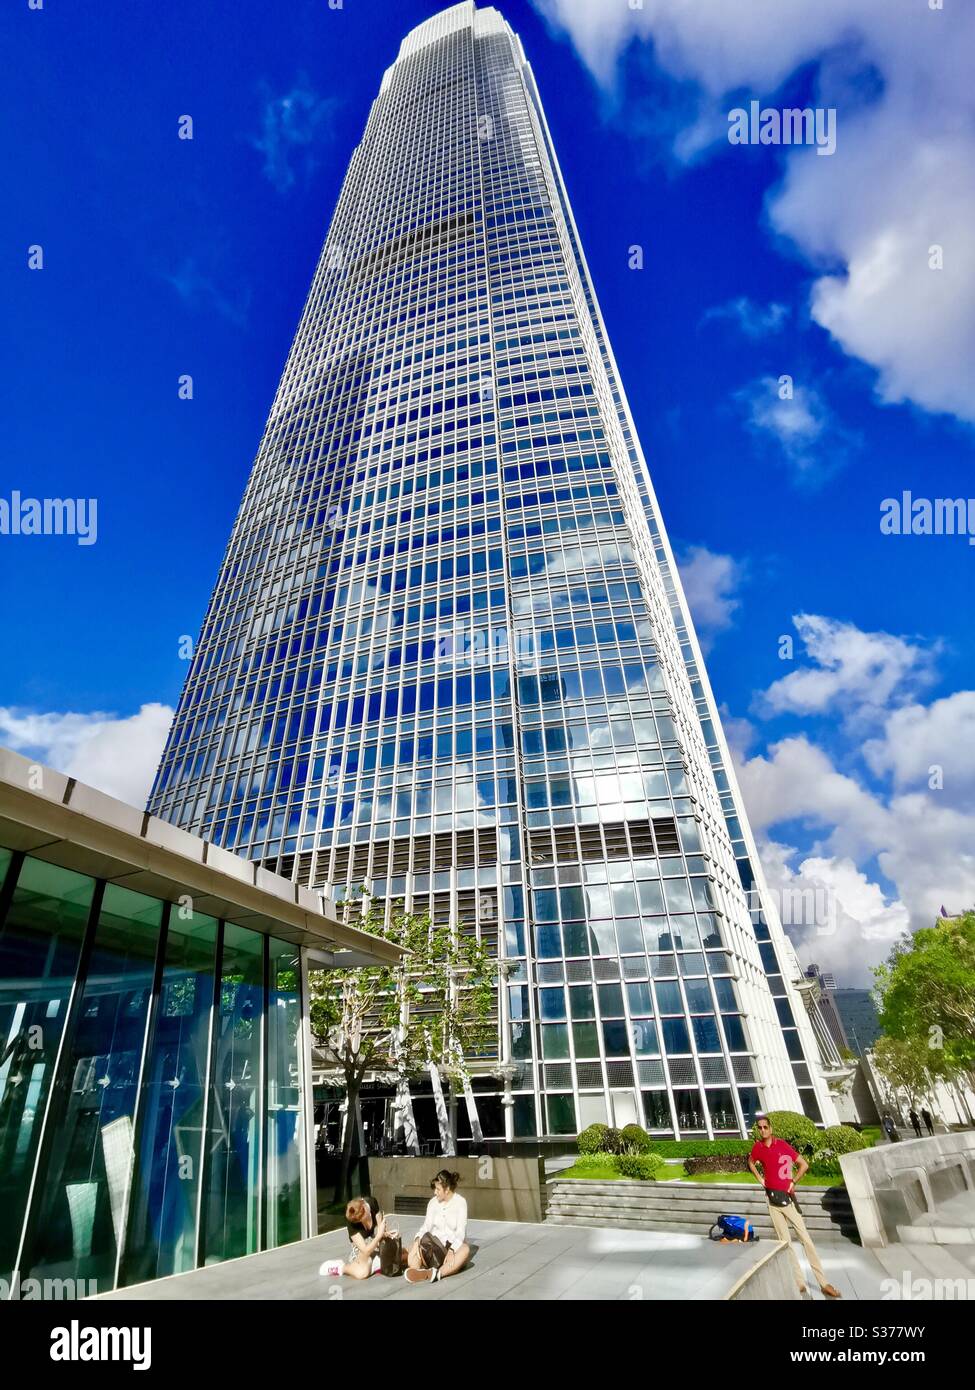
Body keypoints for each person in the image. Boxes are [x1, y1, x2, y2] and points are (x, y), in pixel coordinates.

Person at [748, 1114, 841, 1300]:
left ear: (771, 1128)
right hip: (772, 1201)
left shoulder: (781, 1145)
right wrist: (761, 1179)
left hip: (787, 1199)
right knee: (786, 1242)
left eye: (766, 1127)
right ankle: (799, 1282)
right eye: (760, 1127)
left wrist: (793, 1182)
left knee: (805, 1239)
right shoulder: (757, 1148)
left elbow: (803, 1164)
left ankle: (823, 1283)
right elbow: (751, 1162)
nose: (763, 1130)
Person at [404, 1169, 471, 1285]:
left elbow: (460, 1233)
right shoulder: (432, 1203)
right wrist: (416, 1243)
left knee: (465, 1249)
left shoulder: (460, 1202)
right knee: (412, 1256)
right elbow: (425, 1227)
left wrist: (451, 1250)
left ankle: (435, 1274)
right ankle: (420, 1270)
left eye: (438, 1189)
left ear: (447, 1189)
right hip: (433, 1250)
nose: (435, 1192)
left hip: (452, 1251)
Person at [319, 1195, 394, 1279]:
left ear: (364, 1207)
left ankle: (375, 1265)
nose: (362, 1221)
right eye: (359, 1221)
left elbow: (379, 1218)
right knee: (362, 1273)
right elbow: (365, 1250)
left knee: (399, 1255)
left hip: (375, 1244)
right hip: (360, 1251)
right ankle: (341, 1268)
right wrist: (379, 1235)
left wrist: (384, 1233)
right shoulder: (352, 1222)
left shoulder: (371, 1202)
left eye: (363, 1218)